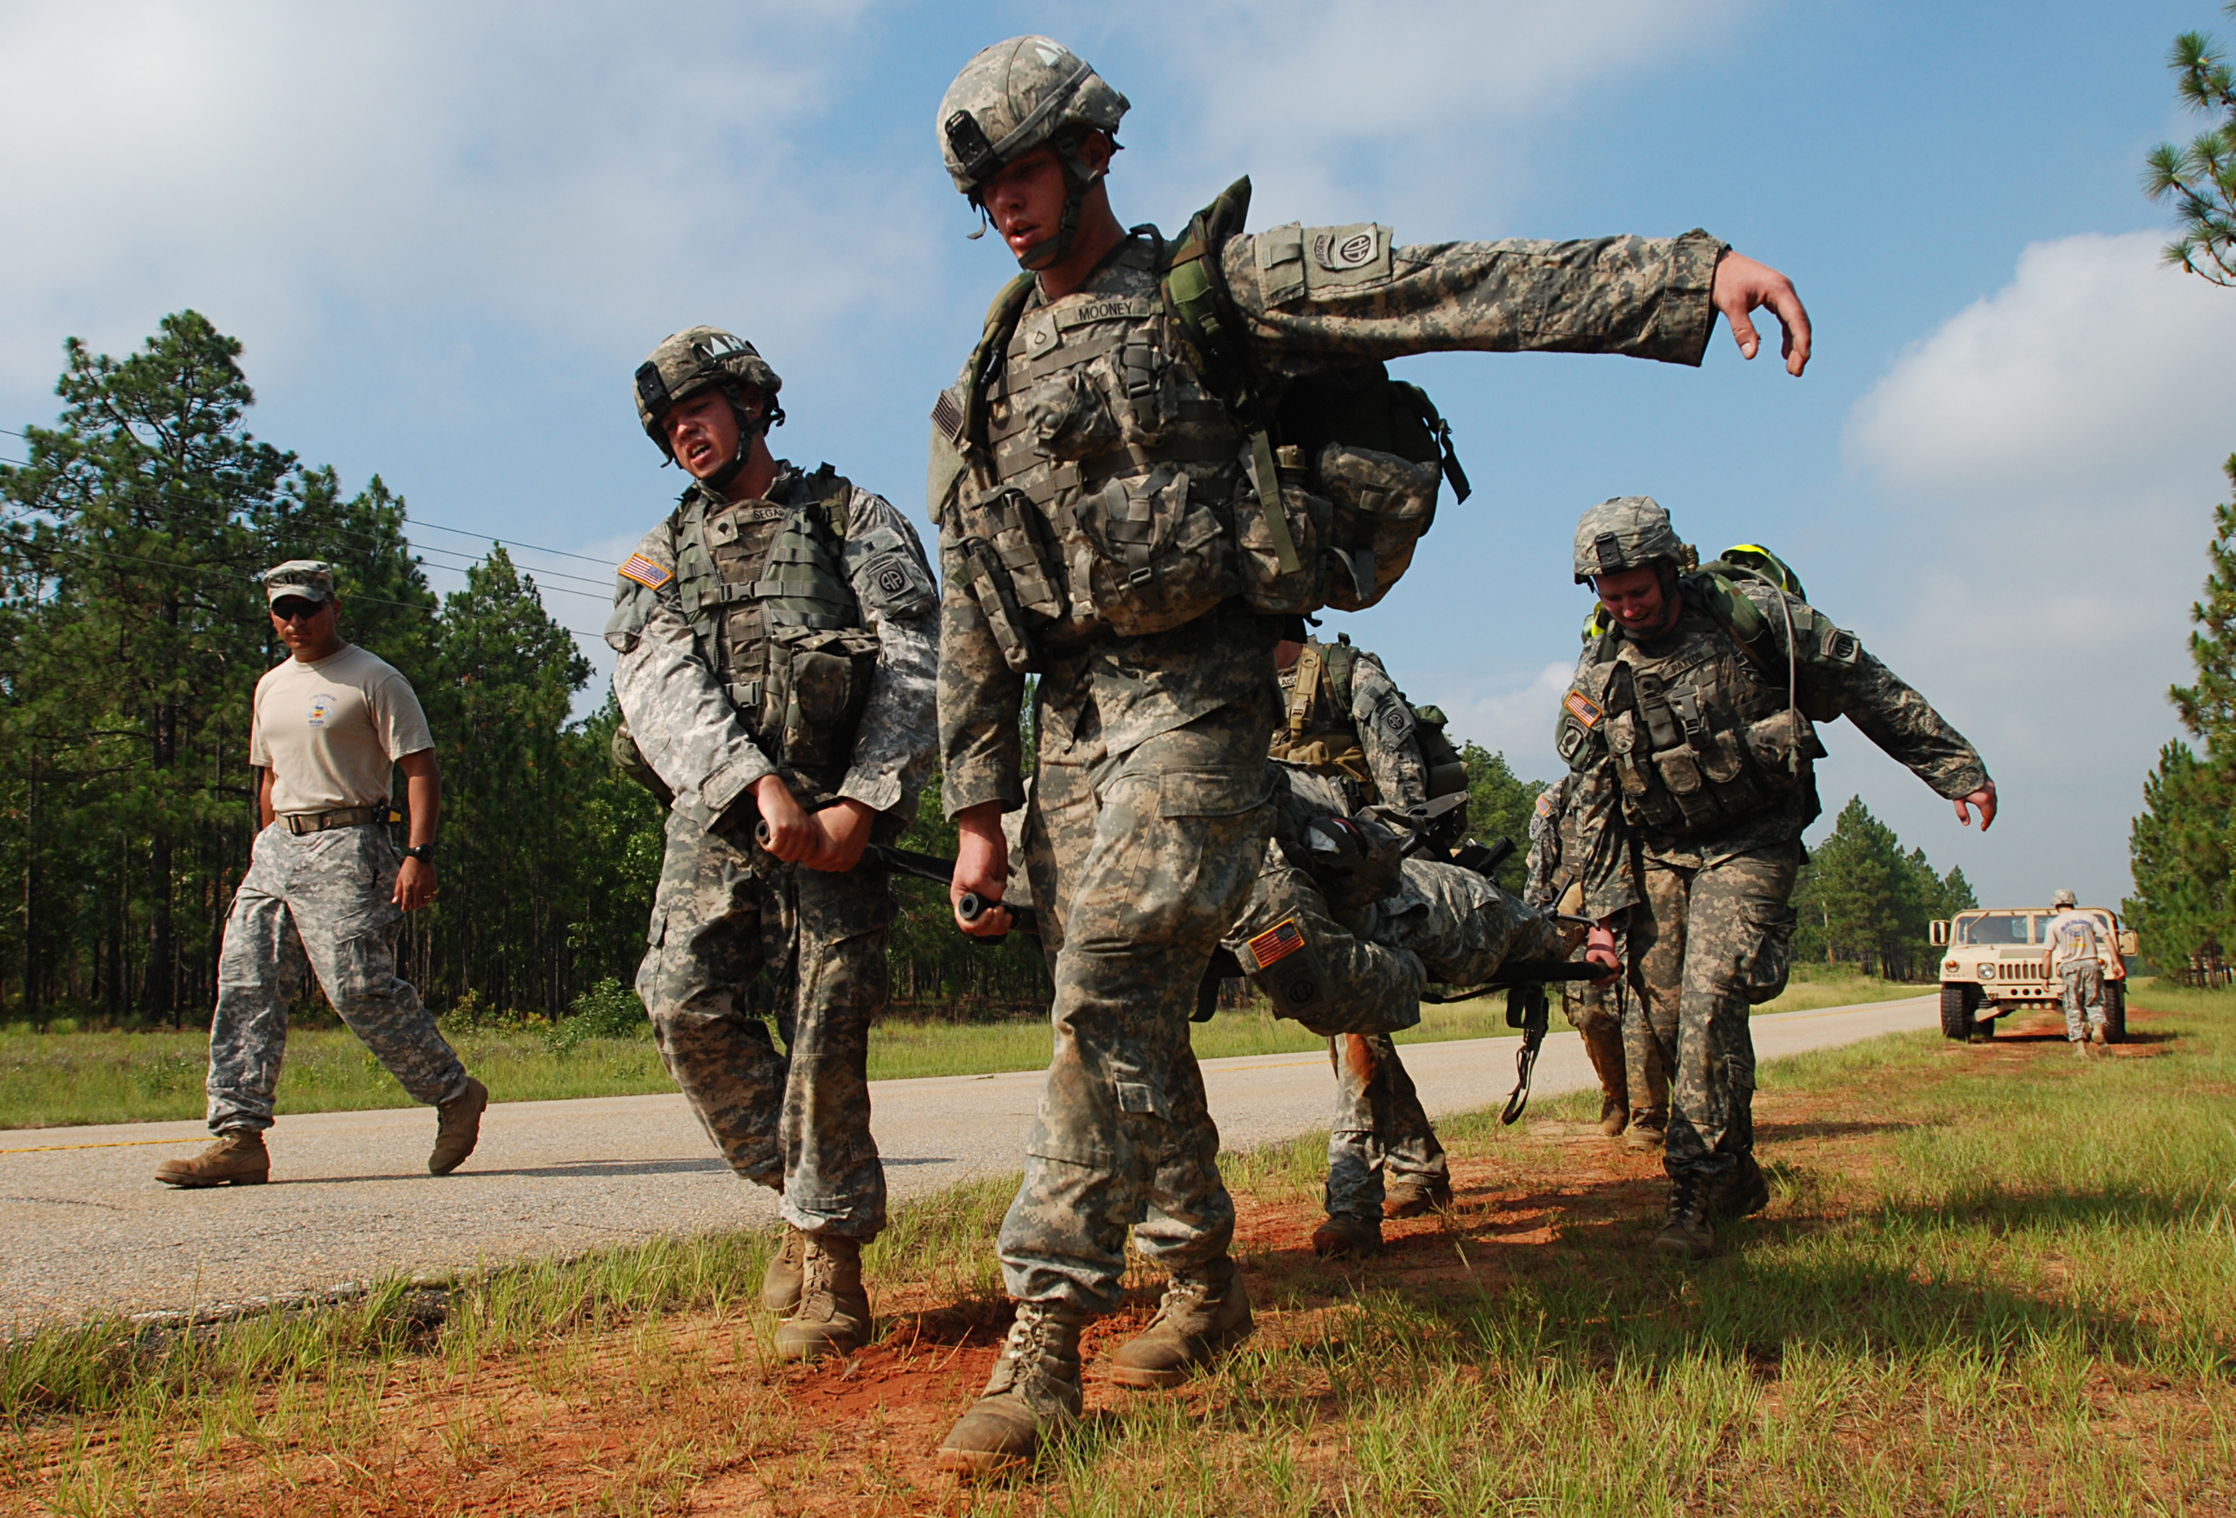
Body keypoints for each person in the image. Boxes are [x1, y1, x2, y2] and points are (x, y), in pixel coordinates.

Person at [925, 34, 1814, 1473]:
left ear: (1090, 149)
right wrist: (976, 805)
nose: (1006, 205)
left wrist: (1683, 276)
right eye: (984, 189)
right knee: (1122, 1009)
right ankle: (1202, 1275)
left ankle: (1044, 1334)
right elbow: (975, 593)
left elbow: (1451, 284)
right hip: (1070, 727)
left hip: (1210, 693)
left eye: (1022, 169)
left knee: (1112, 969)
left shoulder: (1224, 295)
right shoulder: (984, 374)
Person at [606, 328, 938, 1362]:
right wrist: (752, 783)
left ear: (752, 403)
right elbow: (652, 679)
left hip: (838, 822)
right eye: (668, 426)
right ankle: (803, 1196)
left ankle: (830, 1265)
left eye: (698, 410)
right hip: (718, 821)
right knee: (681, 1005)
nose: (685, 434)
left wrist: (864, 804)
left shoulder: (850, 519)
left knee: (826, 1031)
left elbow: (918, 659)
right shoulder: (660, 554)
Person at [1556, 500, 1994, 1261]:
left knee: (1711, 997)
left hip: (1752, 839)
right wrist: (1602, 910)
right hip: (1662, 853)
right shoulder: (1601, 667)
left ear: (1671, 568)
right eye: (1611, 595)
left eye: (1639, 591)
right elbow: (1592, 794)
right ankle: (1737, 1174)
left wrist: (1954, 769)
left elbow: (1866, 684)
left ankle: (1690, 1193)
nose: (1628, 607)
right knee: (1664, 1020)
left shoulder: (1754, 619)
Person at [156, 561, 483, 1188]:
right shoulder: (270, 686)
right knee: (244, 981)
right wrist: (264, 844)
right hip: (279, 847)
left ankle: (454, 1093)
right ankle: (238, 1137)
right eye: (283, 610)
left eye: (307, 608)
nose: (295, 621)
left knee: (359, 989)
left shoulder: (374, 679)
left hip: (351, 841)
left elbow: (420, 769)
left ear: (334, 607)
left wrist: (420, 854)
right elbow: (269, 776)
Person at [1267, 626, 1451, 1252]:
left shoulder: (1349, 677)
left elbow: (1404, 802)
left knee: (1355, 1025)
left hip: (1361, 877)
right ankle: (1421, 1164)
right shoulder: (1232, 684)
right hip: (1289, 883)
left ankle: (1353, 1205)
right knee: (1346, 1029)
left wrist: (1357, 872)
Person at [1524, 772, 1664, 1143]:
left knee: (1644, 1017)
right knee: (1591, 1015)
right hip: (1583, 918)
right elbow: (1541, 868)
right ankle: (1618, 1095)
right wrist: (1530, 930)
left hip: (1646, 917)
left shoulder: (1647, 783)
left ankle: (1649, 1116)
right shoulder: (1562, 794)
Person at [2044, 888, 2110, 1053]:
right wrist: (2116, 962)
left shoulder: (2054, 924)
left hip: (2070, 967)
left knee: (2073, 1005)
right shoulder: (2089, 918)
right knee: (2095, 1000)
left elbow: (2047, 953)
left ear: (2056, 905)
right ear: (2073, 902)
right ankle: (2098, 1030)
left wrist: (2045, 977)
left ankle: (2080, 1047)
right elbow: (2107, 937)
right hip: (2092, 963)